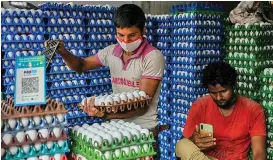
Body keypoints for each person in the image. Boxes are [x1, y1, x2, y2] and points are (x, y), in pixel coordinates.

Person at [45, 4, 166, 133]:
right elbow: (81, 65)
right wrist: (63, 52)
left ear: (143, 31)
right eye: (121, 35)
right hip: (117, 127)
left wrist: (105, 115)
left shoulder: (152, 57)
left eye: (132, 35)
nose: (126, 41)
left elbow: (142, 106)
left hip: (143, 129)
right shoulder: (111, 52)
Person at [175, 62, 266, 160]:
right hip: (206, 158)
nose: (219, 97)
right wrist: (193, 141)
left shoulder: (253, 109)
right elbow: (181, 152)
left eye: (223, 91)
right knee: (182, 144)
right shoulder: (199, 106)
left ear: (234, 85)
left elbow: (259, 152)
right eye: (213, 93)